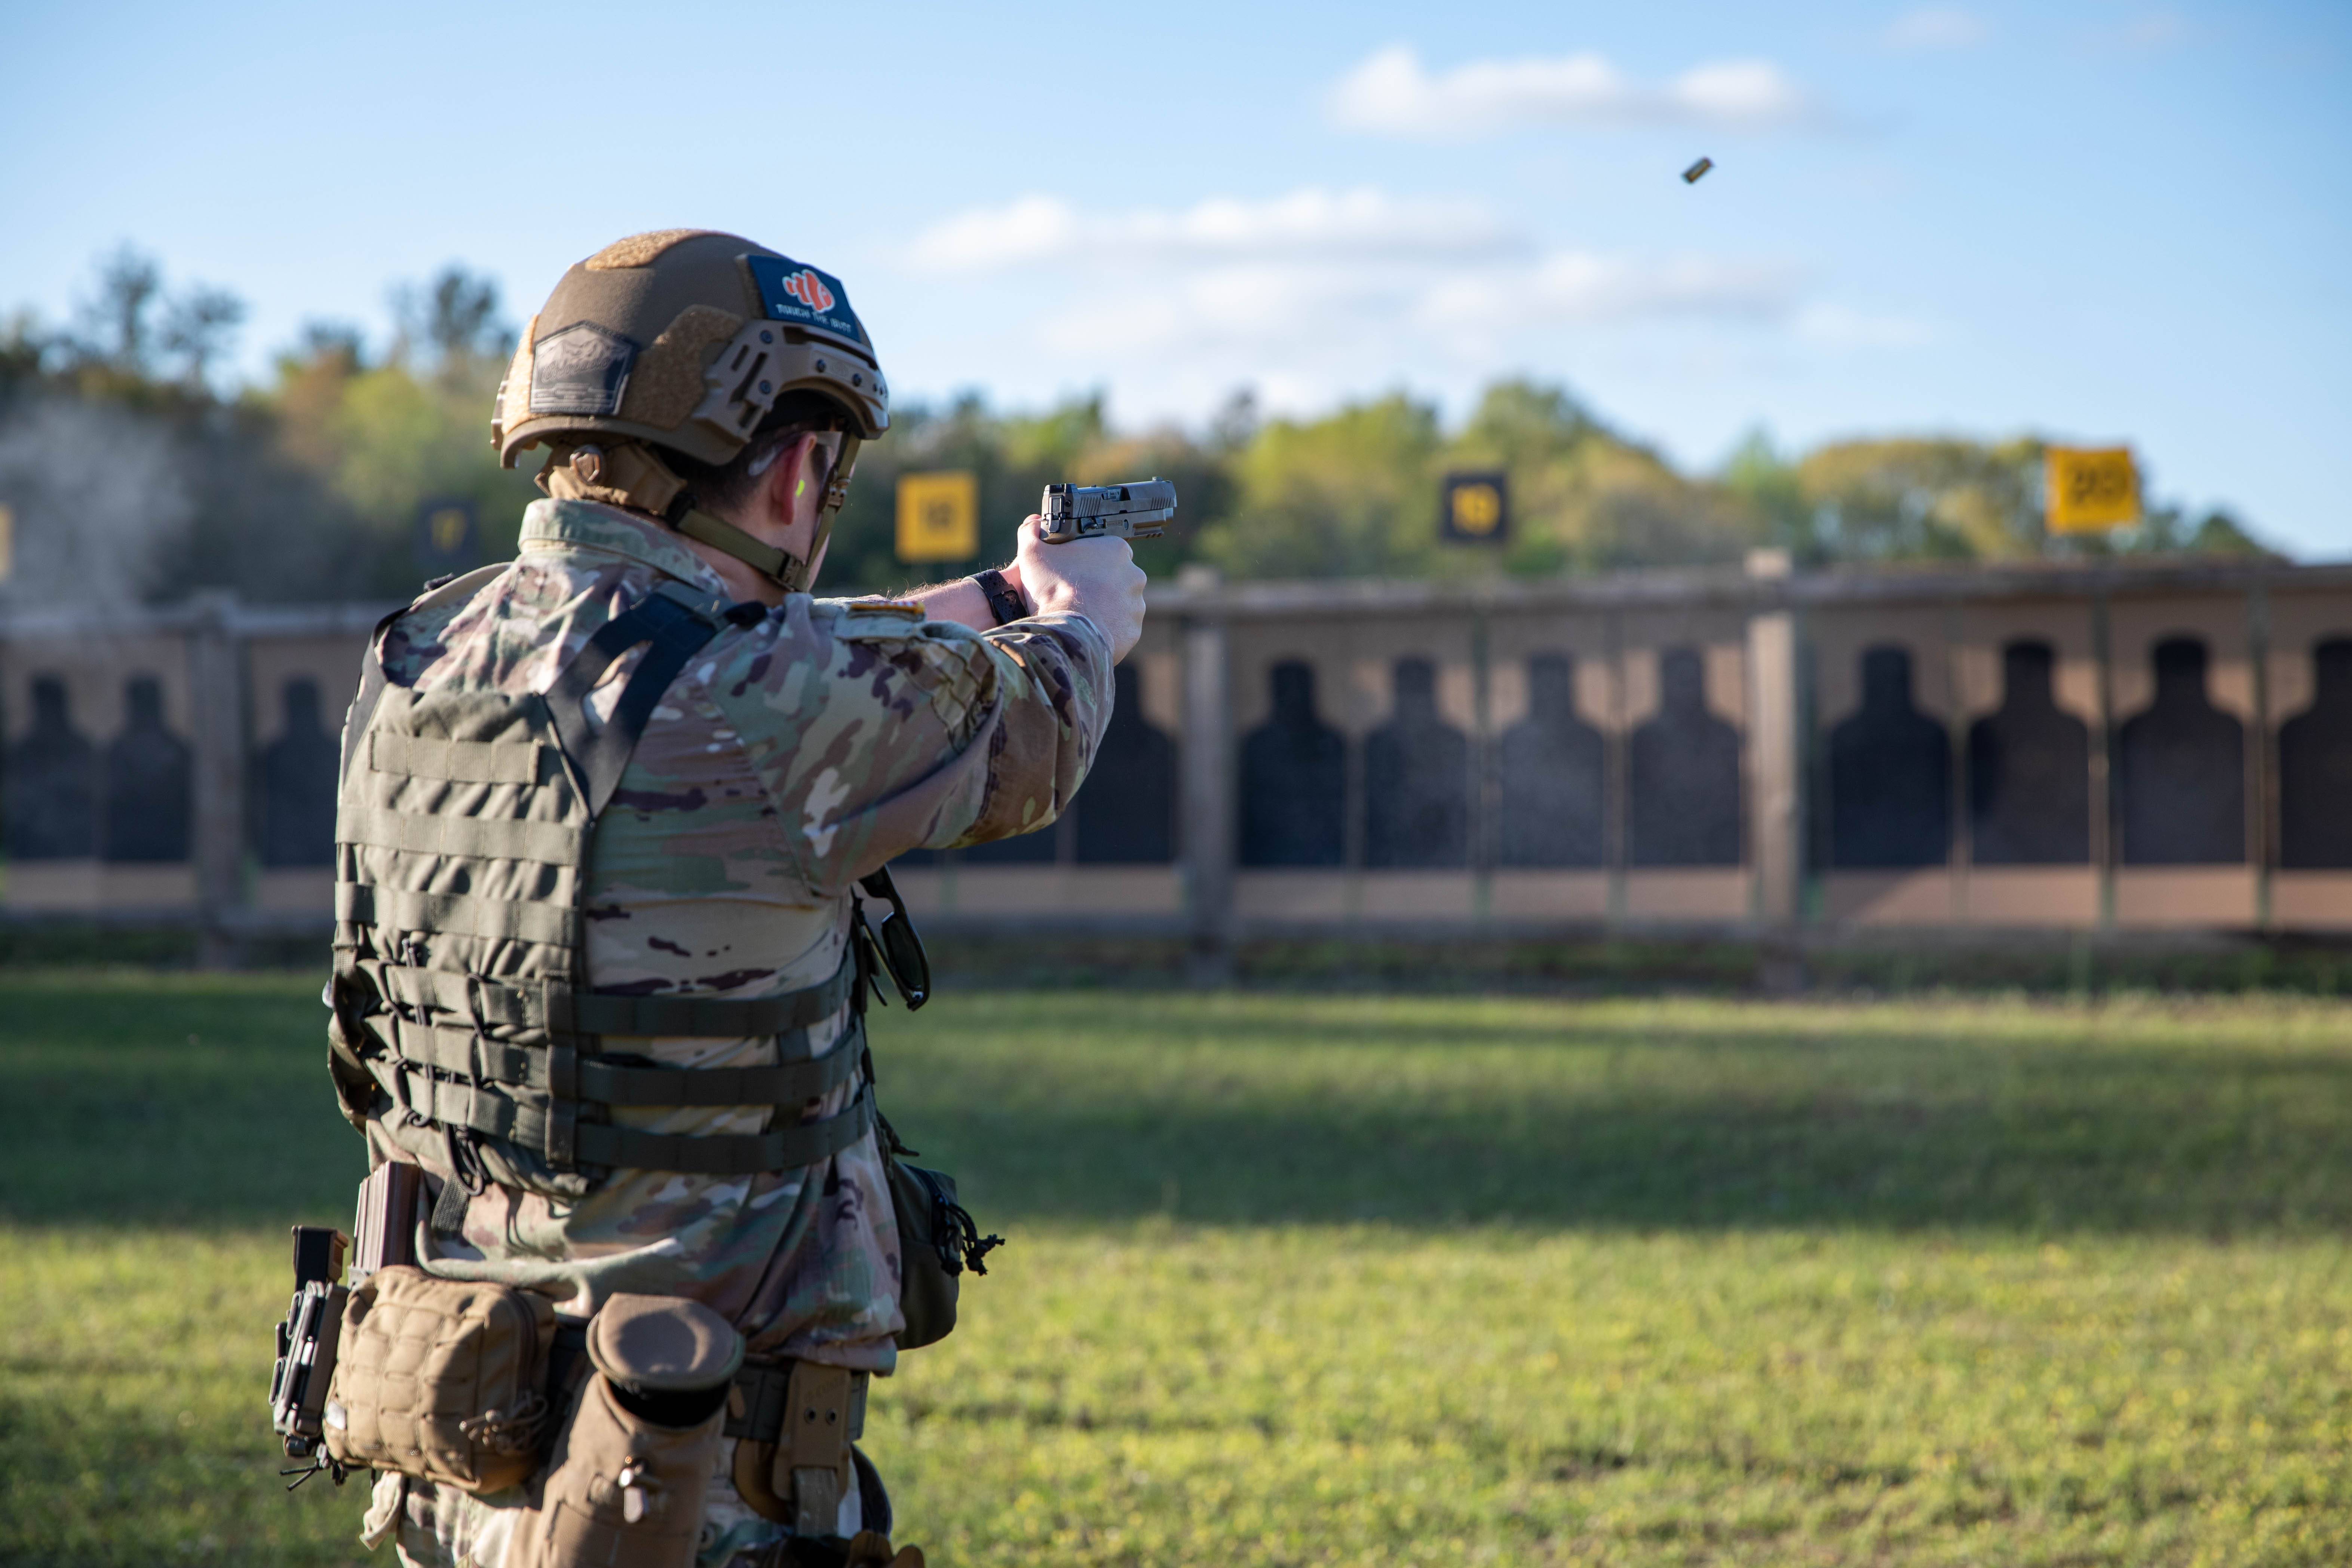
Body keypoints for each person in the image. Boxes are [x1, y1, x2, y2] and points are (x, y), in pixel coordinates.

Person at [322, 230, 1144, 1568]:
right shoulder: (770, 702)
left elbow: (718, 657)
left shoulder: (423, 653)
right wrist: (1076, 620)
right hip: (685, 1476)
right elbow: (1026, 727)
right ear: (792, 459)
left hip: (457, 1429)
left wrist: (990, 590)